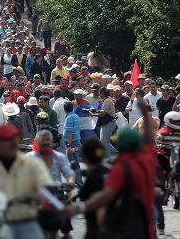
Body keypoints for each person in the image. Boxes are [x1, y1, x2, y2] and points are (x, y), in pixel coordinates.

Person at [64, 99, 157, 239]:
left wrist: (80, 207)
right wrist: (144, 112)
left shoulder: (121, 167)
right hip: (148, 226)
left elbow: (106, 195)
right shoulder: (148, 160)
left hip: (128, 229)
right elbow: (149, 140)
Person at [77, 137, 109, 239]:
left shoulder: (94, 178)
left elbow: (100, 207)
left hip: (96, 232)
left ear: (84, 156)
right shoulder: (108, 171)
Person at [92, 86, 117, 158]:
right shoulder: (106, 100)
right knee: (104, 141)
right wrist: (95, 111)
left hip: (108, 123)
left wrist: (93, 114)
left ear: (102, 93)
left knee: (104, 142)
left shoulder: (107, 101)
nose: (99, 94)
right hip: (107, 123)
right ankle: (114, 153)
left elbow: (103, 114)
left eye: (100, 92)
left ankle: (109, 159)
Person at [62, 101, 82, 187]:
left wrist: (69, 145)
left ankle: (77, 184)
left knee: (73, 164)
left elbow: (69, 132)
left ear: (64, 109)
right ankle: (78, 183)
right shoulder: (75, 116)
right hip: (76, 142)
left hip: (72, 143)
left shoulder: (69, 118)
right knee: (76, 163)